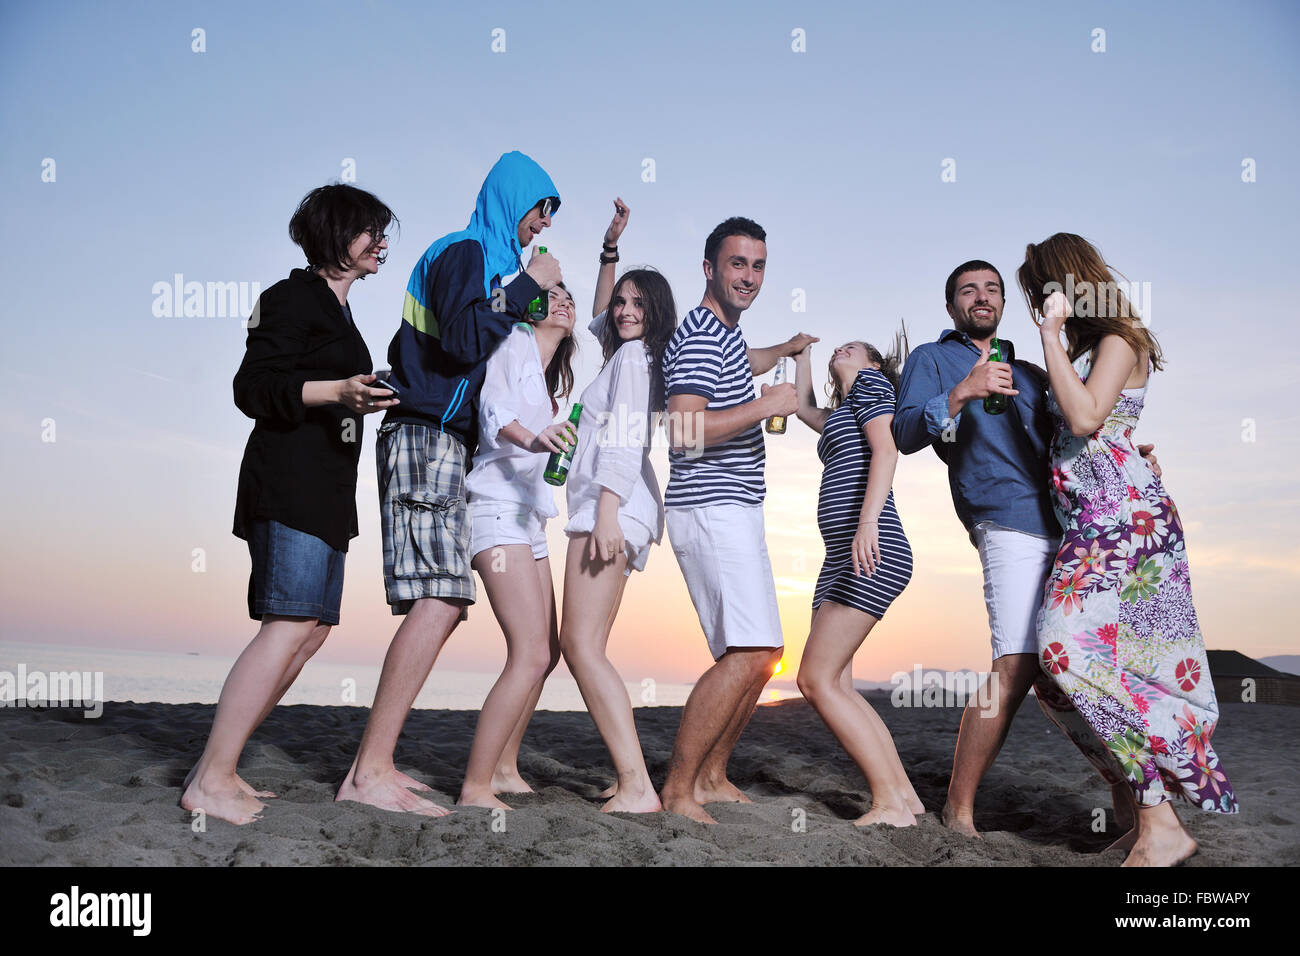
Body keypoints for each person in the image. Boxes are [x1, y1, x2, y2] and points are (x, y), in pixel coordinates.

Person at [892, 259, 1163, 839]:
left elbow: (1075, 435)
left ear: (1004, 303)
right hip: (1004, 522)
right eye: (968, 290)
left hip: (1072, 523)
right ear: (951, 306)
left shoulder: (1034, 371)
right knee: (1014, 662)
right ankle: (958, 811)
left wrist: (1132, 454)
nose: (982, 297)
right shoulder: (932, 361)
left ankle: (1126, 797)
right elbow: (907, 433)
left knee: (1074, 670)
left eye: (991, 288)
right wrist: (962, 391)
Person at [335, 151, 563, 815]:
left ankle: (371, 766)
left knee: (444, 600)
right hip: (422, 433)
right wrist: (530, 287)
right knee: (440, 600)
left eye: (549, 215)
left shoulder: (488, 265)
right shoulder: (464, 250)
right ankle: (368, 771)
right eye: (537, 209)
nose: (541, 226)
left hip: (445, 442)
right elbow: (462, 341)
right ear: (510, 199)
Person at [182, 184, 400, 825]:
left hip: (330, 490)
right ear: (337, 236)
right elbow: (251, 388)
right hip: (289, 482)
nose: (380, 243)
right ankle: (212, 779)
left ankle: (215, 767)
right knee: (285, 625)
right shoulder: (289, 297)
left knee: (312, 628)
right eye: (369, 231)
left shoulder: (340, 313)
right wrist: (337, 390)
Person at [1019, 233, 1237, 866]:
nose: (1039, 303)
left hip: (1126, 530)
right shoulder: (1088, 350)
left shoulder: (1118, 340)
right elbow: (1093, 435)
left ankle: (1161, 824)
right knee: (1054, 682)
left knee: (1063, 648)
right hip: (1090, 527)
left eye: (1044, 290)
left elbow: (1085, 419)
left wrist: (1049, 340)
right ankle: (1149, 814)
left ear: (1070, 283)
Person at [658, 216, 816, 823]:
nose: (748, 276)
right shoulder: (699, 333)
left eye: (757, 266)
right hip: (708, 507)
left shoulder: (723, 334)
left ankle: (714, 774)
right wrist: (765, 406)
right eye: (736, 264)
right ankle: (678, 790)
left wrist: (786, 351)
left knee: (764, 651)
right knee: (747, 654)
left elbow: (742, 356)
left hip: (738, 509)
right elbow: (682, 429)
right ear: (709, 268)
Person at [559, 199, 677, 813]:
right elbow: (603, 313)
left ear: (655, 316)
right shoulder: (630, 352)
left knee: (579, 646)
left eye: (639, 305)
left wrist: (605, 509)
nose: (626, 311)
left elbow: (628, 435)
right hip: (618, 505)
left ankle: (636, 784)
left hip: (611, 507)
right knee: (588, 645)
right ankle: (630, 777)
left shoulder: (634, 358)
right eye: (623, 302)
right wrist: (610, 249)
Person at [791, 333, 925, 826]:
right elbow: (805, 410)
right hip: (838, 559)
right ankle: (905, 797)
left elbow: (886, 452)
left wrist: (867, 522)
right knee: (839, 685)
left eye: (854, 345)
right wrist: (799, 354)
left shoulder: (871, 386)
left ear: (873, 362)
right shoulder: (840, 414)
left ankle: (889, 803)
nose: (842, 348)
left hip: (872, 546)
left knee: (815, 678)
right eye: (838, 347)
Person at [457, 283, 578, 809]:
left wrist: (610, 248)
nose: (563, 301)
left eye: (568, 297)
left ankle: (505, 767)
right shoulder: (512, 343)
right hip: (495, 507)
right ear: (531, 306)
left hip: (531, 518)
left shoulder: (558, 379)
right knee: (528, 653)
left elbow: (603, 314)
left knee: (546, 653)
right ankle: (474, 786)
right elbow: (492, 412)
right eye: (553, 293)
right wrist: (536, 438)